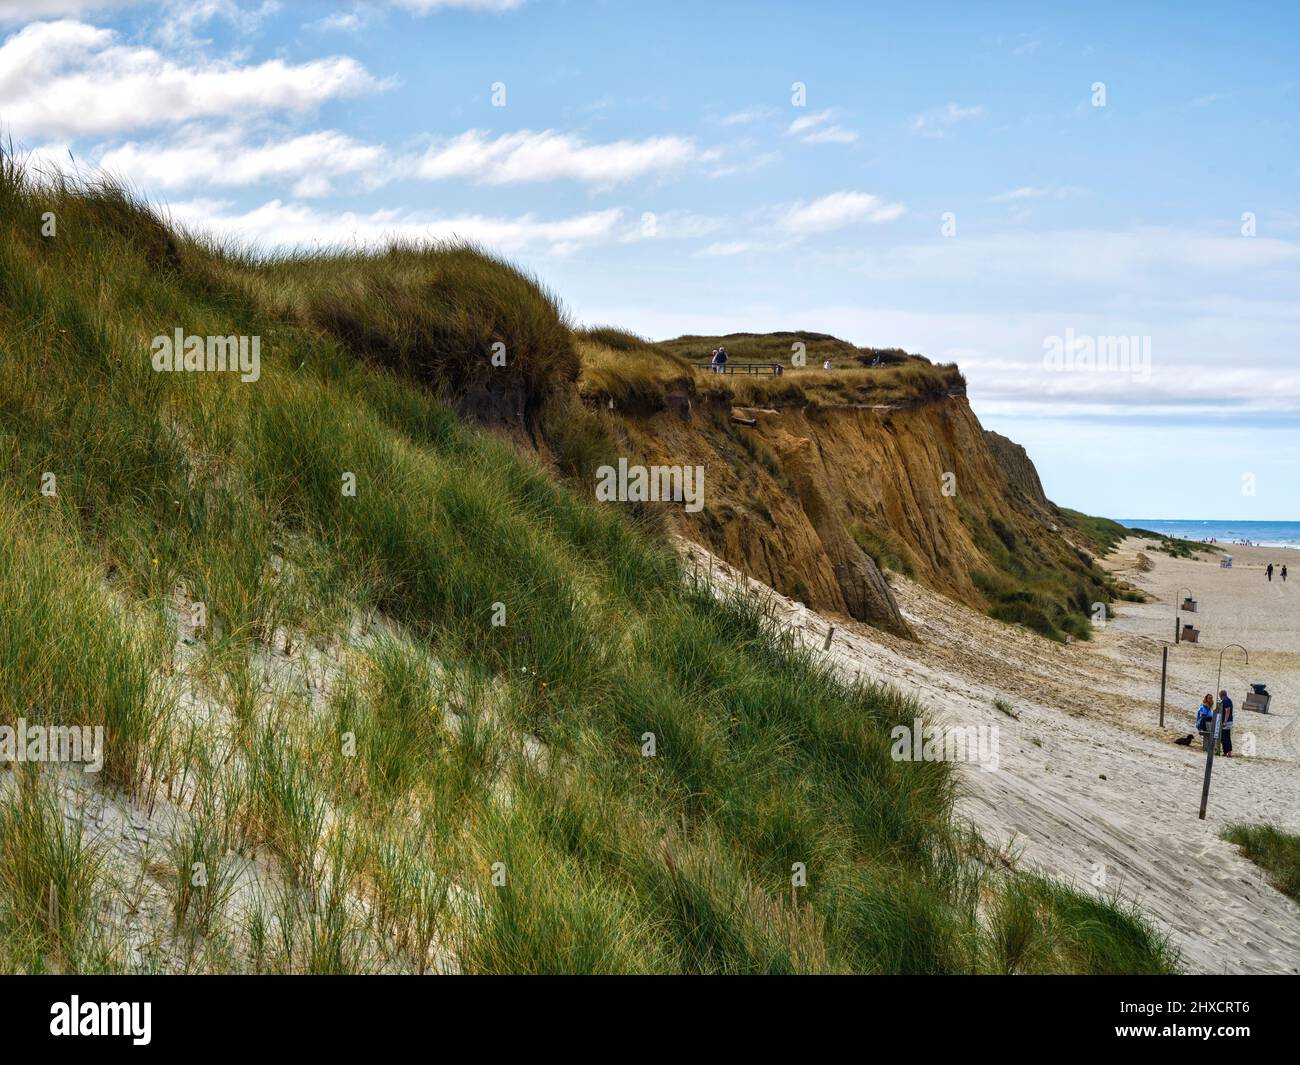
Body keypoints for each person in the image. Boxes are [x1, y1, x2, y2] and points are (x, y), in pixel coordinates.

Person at [1218, 690, 1234, 756]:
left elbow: (1227, 710)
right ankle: (1225, 752)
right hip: (1229, 720)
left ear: (1221, 695)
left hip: (1227, 721)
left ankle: (1228, 752)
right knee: (1224, 736)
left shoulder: (1225, 700)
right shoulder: (1229, 700)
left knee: (1225, 736)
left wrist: (1225, 721)